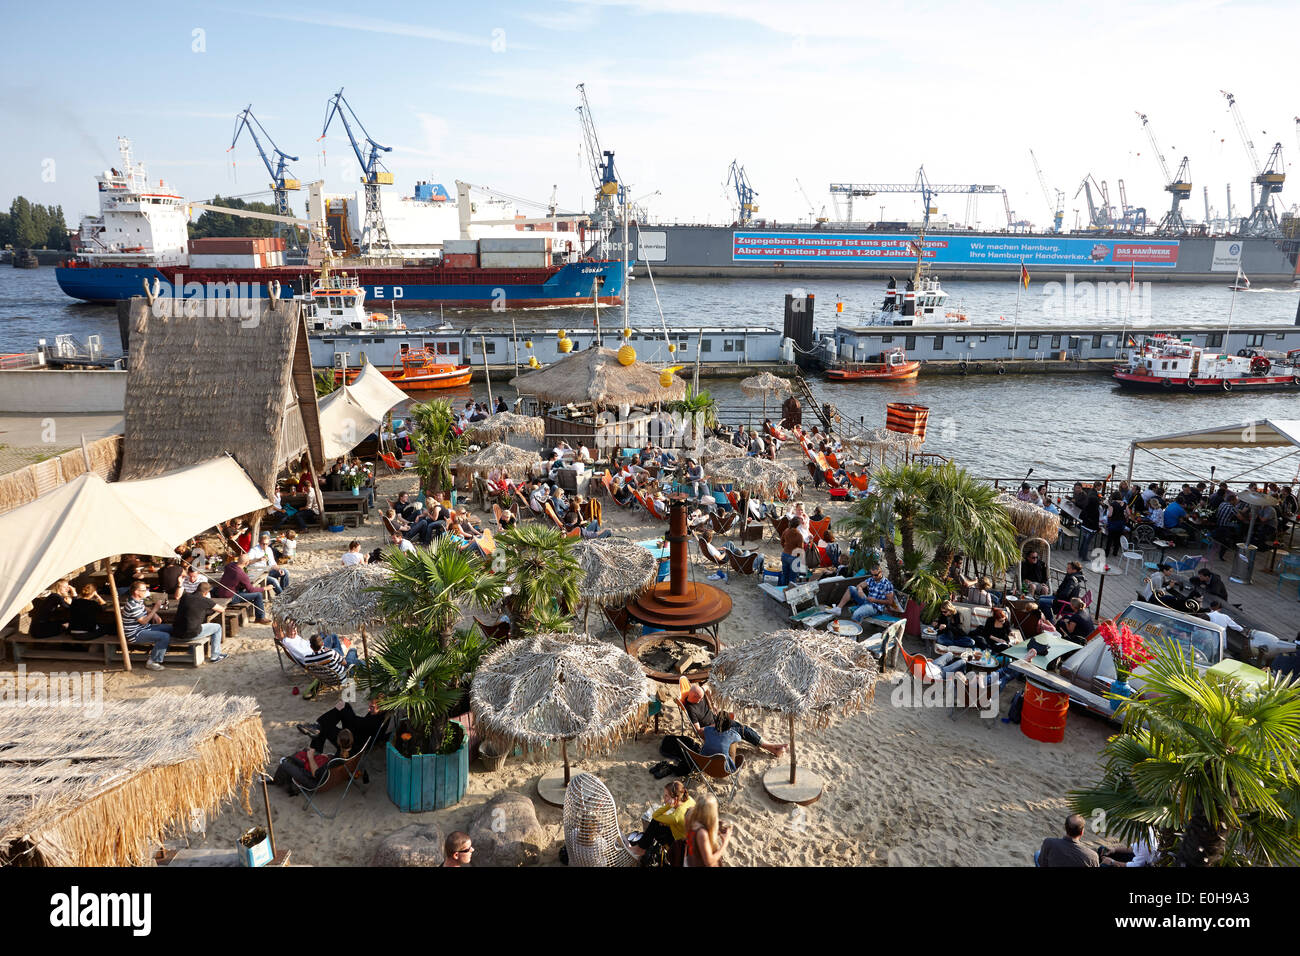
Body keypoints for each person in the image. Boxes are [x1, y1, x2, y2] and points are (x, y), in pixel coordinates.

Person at [682, 684, 785, 757]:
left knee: (742, 728)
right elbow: (698, 732)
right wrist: (714, 725)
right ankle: (771, 746)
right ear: (694, 696)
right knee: (740, 730)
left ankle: (770, 747)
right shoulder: (691, 709)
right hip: (712, 729)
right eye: (699, 698)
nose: (701, 700)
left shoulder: (698, 693)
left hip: (717, 720)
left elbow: (707, 687)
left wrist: (712, 705)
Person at [631, 780, 695, 864]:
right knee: (658, 823)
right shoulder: (689, 799)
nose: (664, 799)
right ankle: (642, 846)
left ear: (675, 798)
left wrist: (668, 805)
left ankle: (641, 849)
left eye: (666, 796)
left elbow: (655, 815)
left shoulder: (675, 817)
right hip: (690, 840)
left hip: (680, 846)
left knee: (655, 823)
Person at [272, 729, 355, 792]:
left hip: (315, 782)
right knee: (304, 753)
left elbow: (315, 774)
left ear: (338, 742)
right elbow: (335, 760)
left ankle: (275, 781)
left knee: (285, 764)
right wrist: (328, 756)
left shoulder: (334, 762)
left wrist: (311, 757)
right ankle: (291, 765)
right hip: (330, 777)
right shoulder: (353, 753)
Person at [298, 697, 389, 753]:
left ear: (381, 708)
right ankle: (317, 729)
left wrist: (343, 711)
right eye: (370, 706)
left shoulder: (375, 722)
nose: (369, 709)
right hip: (356, 731)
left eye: (372, 707)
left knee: (326, 726)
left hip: (350, 742)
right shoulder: (378, 714)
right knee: (344, 705)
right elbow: (357, 723)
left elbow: (356, 722)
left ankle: (316, 743)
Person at [121, 580, 173, 670]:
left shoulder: (137, 600)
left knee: (170, 628)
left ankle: (161, 650)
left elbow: (145, 607)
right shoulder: (132, 605)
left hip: (144, 628)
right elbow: (143, 621)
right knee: (164, 636)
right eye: (144, 590)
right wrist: (155, 609)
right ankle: (152, 662)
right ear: (136, 592)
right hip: (135, 634)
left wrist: (155, 615)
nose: (146, 591)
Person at [173, 581, 227, 662]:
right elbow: (221, 610)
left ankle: (191, 649)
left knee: (191, 623)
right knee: (217, 627)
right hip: (191, 634)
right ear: (206, 592)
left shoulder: (185, 596)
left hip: (176, 632)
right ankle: (215, 656)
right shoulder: (205, 600)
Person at [213, 554, 271, 623]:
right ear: (247, 563)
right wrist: (265, 588)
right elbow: (251, 590)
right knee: (258, 595)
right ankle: (260, 618)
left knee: (243, 589)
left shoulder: (229, 566)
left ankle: (259, 617)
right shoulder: (242, 574)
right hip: (230, 597)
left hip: (220, 592)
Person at [835, 565, 901, 622]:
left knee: (856, 614)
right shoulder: (871, 579)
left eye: (876, 575)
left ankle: (855, 634)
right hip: (867, 601)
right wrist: (860, 590)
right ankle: (838, 608)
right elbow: (859, 585)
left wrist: (875, 600)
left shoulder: (887, 584)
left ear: (881, 573)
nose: (874, 577)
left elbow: (890, 601)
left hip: (875, 607)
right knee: (851, 588)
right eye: (872, 575)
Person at [683, 793, 730, 867]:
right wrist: (725, 842)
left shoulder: (689, 817)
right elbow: (709, 862)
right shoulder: (702, 833)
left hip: (690, 860)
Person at [779, 521, 805, 588]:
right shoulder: (799, 535)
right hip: (794, 557)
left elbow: (781, 541)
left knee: (784, 575)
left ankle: (782, 590)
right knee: (792, 578)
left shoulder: (786, 531)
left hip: (784, 554)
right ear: (798, 526)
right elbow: (800, 549)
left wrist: (785, 548)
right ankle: (790, 593)